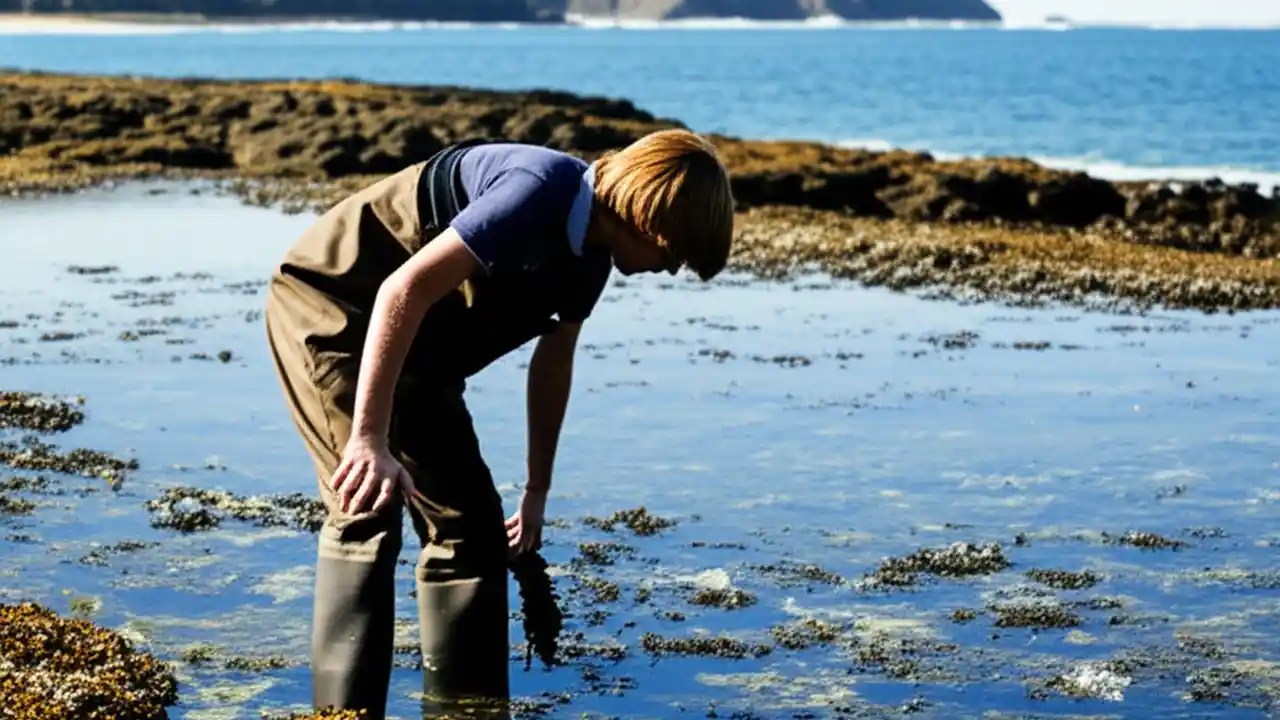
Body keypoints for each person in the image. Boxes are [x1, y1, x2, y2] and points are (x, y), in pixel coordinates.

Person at [263, 128, 735, 718]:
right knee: (368, 503)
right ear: (651, 219)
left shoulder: (590, 260)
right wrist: (368, 439)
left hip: (419, 353)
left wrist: (537, 491)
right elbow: (401, 290)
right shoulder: (538, 190)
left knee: (473, 534)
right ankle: (344, 716)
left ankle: (468, 711)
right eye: (676, 254)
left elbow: (553, 364)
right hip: (335, 309)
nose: (671, 270)